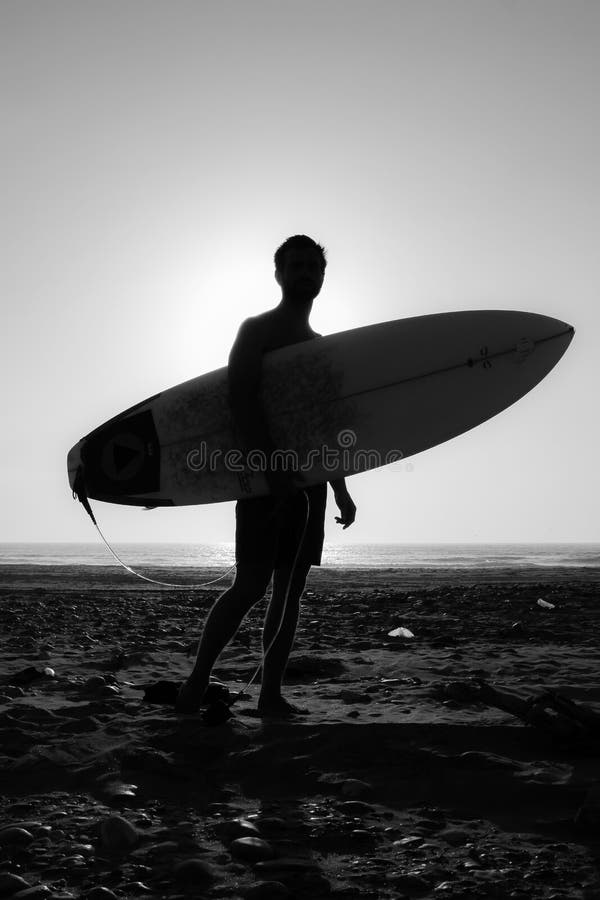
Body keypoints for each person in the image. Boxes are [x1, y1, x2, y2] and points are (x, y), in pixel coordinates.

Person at [176, 235, 356, 717]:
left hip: (311, 484)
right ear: (278, 275)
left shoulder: (321, 349)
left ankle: (270, 692)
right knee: (252, 584)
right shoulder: (256, 330)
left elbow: (326, 426)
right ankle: (196, 683)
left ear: (321, 276)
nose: (303, 274)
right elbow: (241, 401)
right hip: (262, 482)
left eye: (311, 267)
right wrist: (268, 468)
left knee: (290, 592)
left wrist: (340, 488)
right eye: (294, 265)